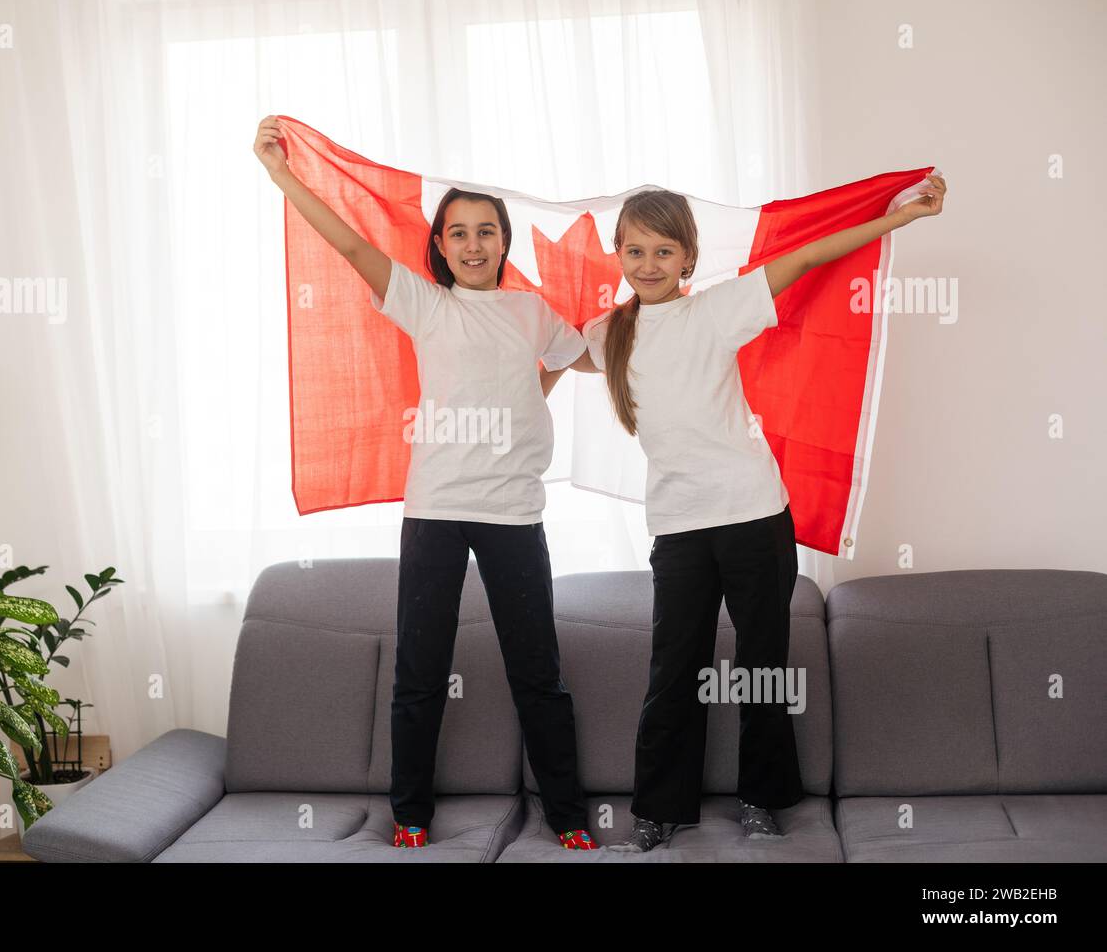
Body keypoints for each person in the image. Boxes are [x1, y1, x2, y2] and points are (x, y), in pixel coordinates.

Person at [556, 175, 947, 852]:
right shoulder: (607, 334)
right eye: (635, 251)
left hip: (753, 515)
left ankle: (763, 798)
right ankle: (660, 807)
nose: (648, 264)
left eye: (663, 251)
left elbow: (805, 258)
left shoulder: (716, 310)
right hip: (677, 530)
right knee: (673, 668)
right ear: (618, 253)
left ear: (688, 258)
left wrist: (897, 220)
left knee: (761, 663)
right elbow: (540, 351)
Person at [253, 115, 597, 849]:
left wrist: (540, 388)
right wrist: (283, 175)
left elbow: (578, 353)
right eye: (460, 233)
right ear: (440, 246)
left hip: (513, 514)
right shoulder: (424, 303)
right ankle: (410, 815)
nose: (474, 245)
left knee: (538, 671)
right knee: (420, 671)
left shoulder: (531, 311)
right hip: (437, 512)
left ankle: (567, 815)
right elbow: (347, 242)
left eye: (486, 231)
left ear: (505, 241)